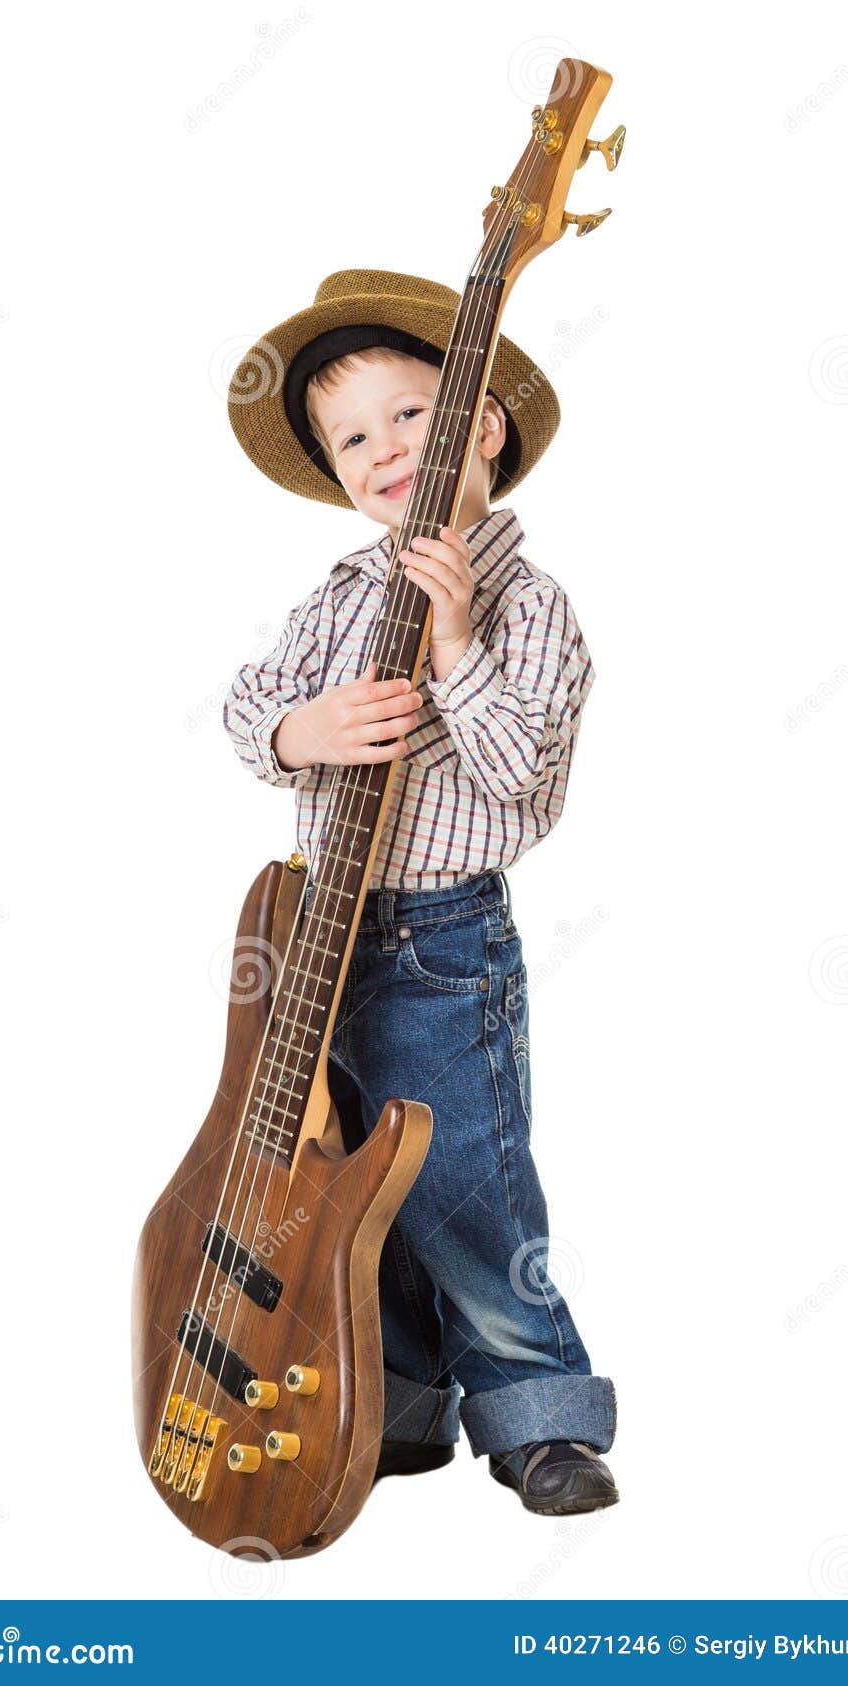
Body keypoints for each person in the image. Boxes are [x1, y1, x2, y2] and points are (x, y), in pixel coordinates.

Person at [222, 269, 618, 1515]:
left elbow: (522, 784)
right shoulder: (342, 592)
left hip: (440, 942)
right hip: (316, 938)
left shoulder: (528, 608)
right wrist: (299, 731)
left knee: (460, 1186)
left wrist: (453, 648)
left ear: (479, 425)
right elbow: (246, 707)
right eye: (351, 439)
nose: (384, 450)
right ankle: (392, 1406)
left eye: (408, 415)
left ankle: (537, 1412)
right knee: (340, 1188)